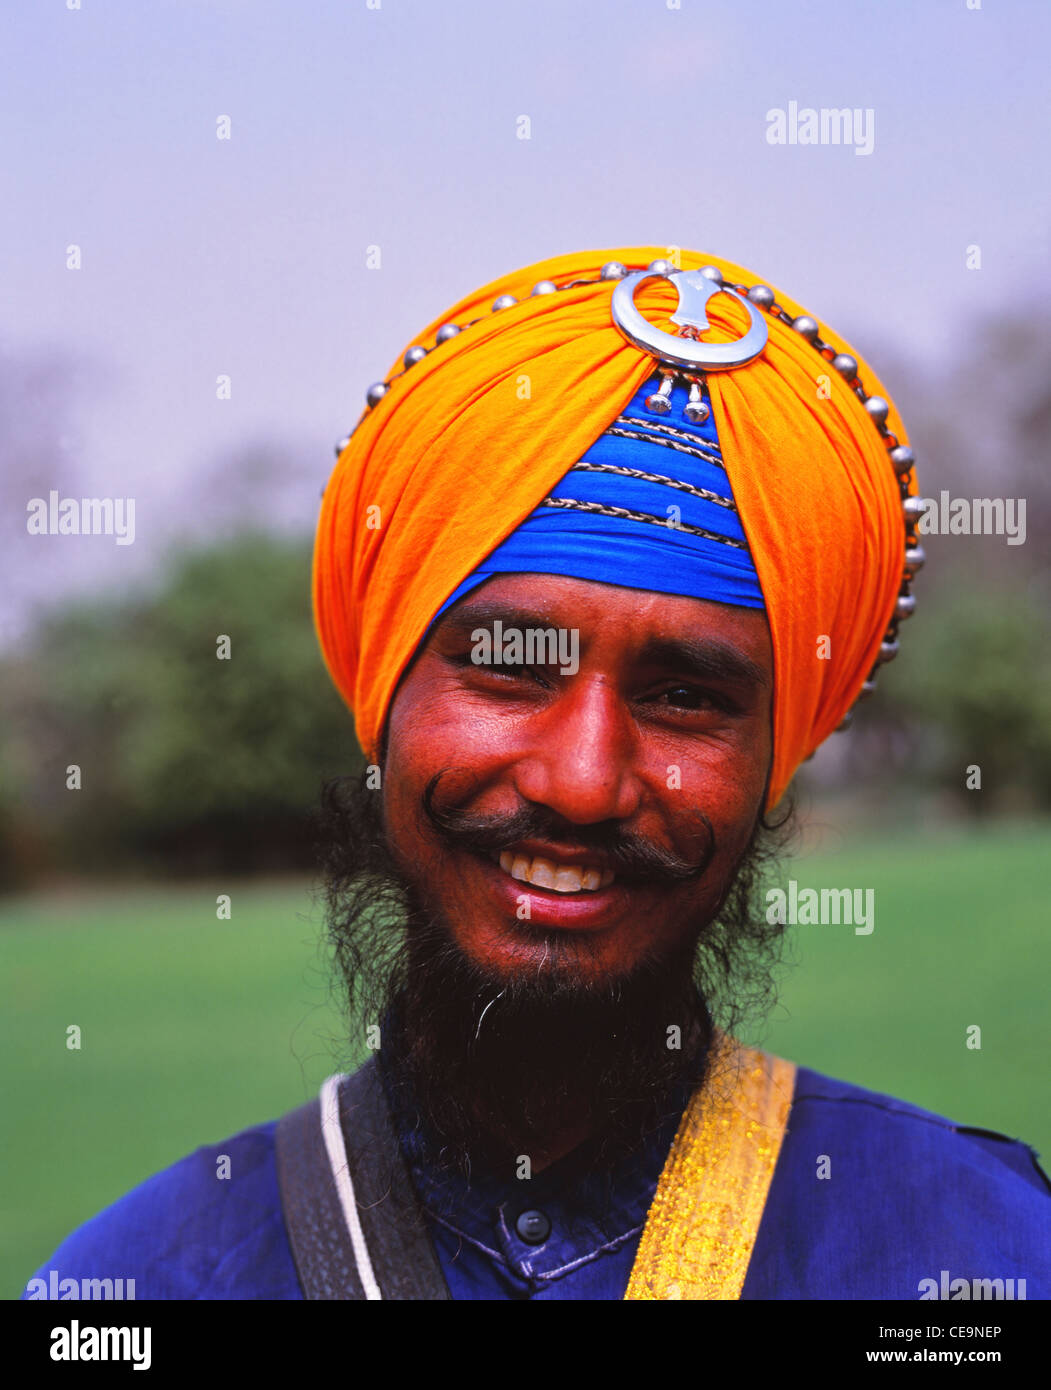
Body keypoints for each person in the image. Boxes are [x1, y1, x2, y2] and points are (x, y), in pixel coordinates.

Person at [25, 246, 1050, 1301]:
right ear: (385, 699)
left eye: (685, 696)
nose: (582, 780)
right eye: (509, 666)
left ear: (773, 768)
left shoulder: (976, 1255)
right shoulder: (139, 1285)